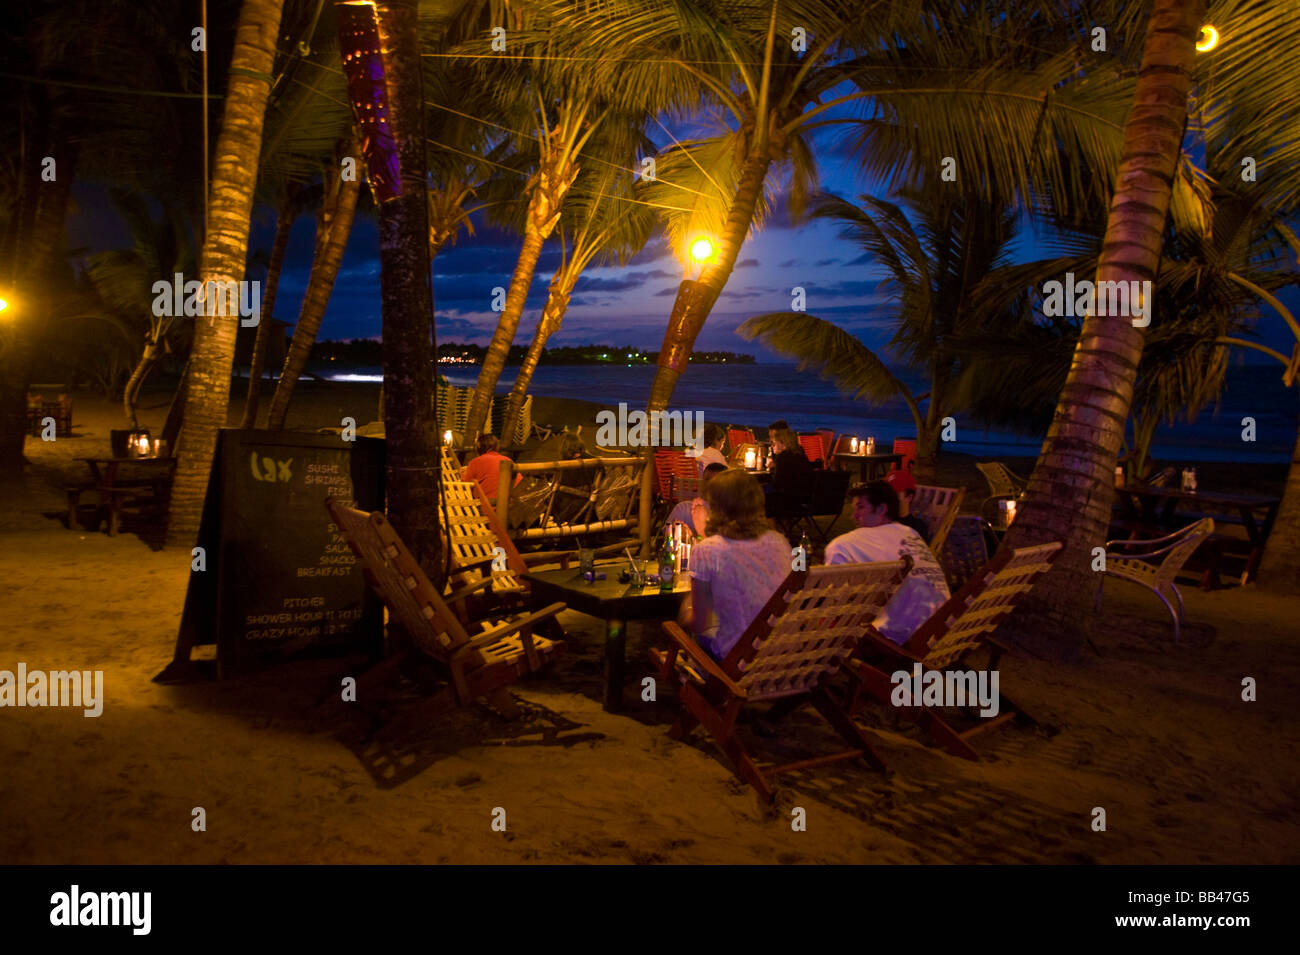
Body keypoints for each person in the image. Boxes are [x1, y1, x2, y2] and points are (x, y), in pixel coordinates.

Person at [680, 469, 792, 661]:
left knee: (687, 623)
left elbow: (701, 623)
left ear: (718, 508)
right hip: (779, 655)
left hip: (735, 660)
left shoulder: (708, 550)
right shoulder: (780, 542)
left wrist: (685, 609)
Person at [825, 481, 950, 644]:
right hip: (943, 632)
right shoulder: (911, 534)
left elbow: (834, 601)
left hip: (899, 640)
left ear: (882, 509)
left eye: (860, 507)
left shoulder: (845, 544)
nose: (853, 515)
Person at [665, 462, 726, 538]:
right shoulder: (684, 508)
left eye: (717, 481)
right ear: (702, 483)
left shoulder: (729, 516)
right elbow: (666, 532)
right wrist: (674, 531)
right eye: (708, 480)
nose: (711, 485)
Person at [460, 434, 520, 505]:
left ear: (478, 447)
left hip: (488, 505)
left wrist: (462, 475)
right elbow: (519, 482)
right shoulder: (508, 460)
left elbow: (466, 486)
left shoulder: (475, 462)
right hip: (510, 505)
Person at [884, 468, 930, 541]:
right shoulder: (879, 520)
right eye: (886, 494)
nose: (889, 498)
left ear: (909, 497)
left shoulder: (917, 527)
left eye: (895, 494)